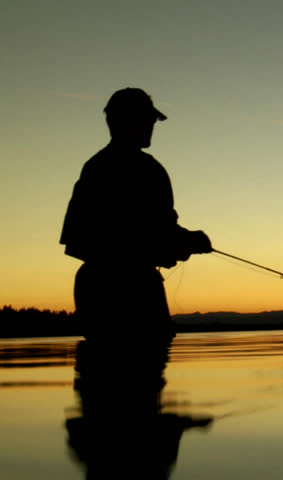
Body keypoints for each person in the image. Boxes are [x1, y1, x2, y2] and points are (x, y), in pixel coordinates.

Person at [60, 87, 211, 343]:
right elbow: (153, 233)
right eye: (148, 120)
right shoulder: (147, 170)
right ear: (129, 121)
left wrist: (180, 241)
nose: (151, 127)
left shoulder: (94, 167)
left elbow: (79, 241)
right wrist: (188, 241)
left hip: (94, 289)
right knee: (144, 372)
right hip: (135, 289)